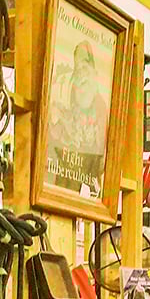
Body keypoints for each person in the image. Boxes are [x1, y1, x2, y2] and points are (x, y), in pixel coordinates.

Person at [48, 39, 109, 194]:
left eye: (84, 66)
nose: (80, 73)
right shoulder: (74, 100)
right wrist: (57, 119)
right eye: (77, 68)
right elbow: (60, 135)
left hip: (86, 186)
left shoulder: (100, 107)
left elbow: (100, 156)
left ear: (93, 70)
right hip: (64, 187)